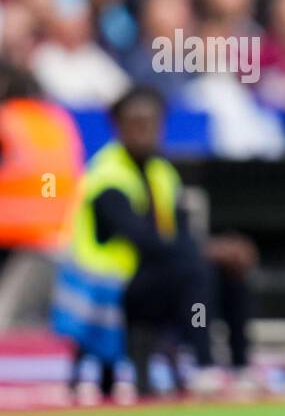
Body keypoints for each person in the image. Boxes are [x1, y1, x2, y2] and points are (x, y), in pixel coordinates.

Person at [52, 85, 257, 398]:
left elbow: (182, 235)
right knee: (196, 269)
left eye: (150, 123)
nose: (143, 131)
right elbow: (143, 240)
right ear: (117, 126)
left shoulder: (162, 172)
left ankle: (241, 368)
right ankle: (203, 366)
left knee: (231, 269)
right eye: (134, 123)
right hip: (113, 286)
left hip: (158, 278)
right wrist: (208, 251)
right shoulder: (107, 175)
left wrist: (220, 250)